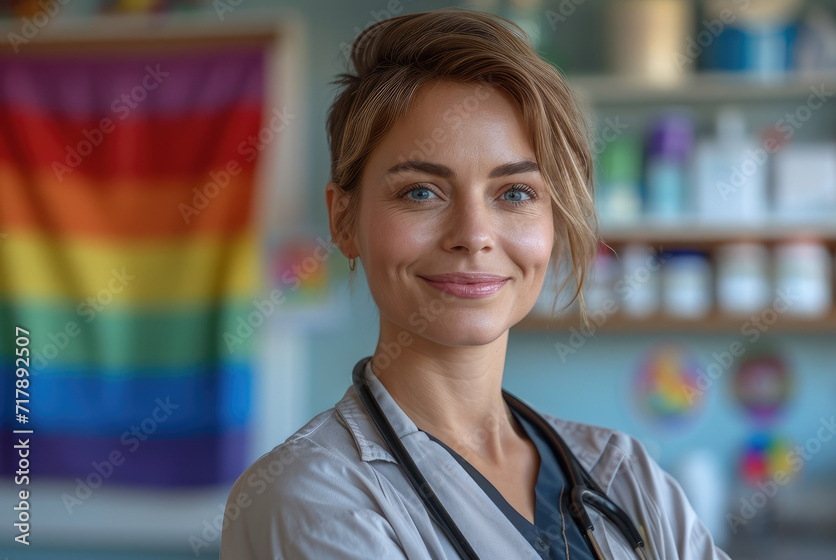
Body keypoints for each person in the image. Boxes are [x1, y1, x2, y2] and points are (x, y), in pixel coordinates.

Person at [220, 8, 732, 560]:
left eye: (514, 193)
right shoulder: (310, 497)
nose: (473, 235)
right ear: (344, 220)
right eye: (421, 192)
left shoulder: (625, 475)